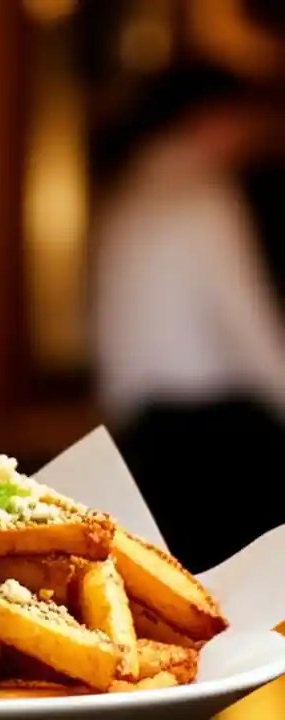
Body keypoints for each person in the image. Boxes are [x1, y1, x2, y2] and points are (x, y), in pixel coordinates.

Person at [92, 63, 285, 573]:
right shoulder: (203, 197)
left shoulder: (130, 189)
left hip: (144, 434)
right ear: (210, 118)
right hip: (214, 439)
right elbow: (246, 324)